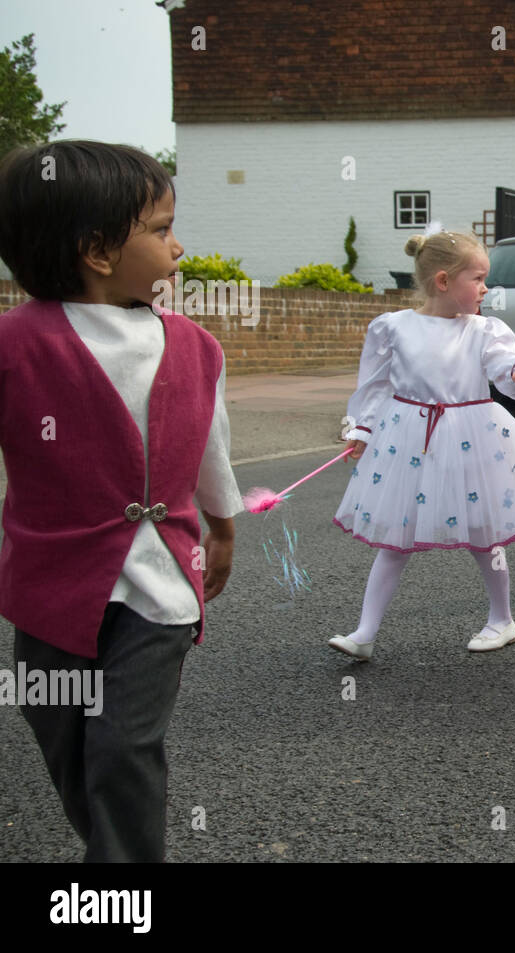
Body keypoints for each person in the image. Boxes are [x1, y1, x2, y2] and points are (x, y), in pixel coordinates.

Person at [0, 140, 242, 861]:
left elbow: (210, 447)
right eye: (162, 229)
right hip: (49, 586)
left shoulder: (197, 346)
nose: (178, 246)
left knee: (123, 743)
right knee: (64, 738)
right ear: (98, 251)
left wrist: (222, 527)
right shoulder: (14, 345)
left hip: (161, 586)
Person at [328, 226, 515, 660]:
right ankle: (365, 632)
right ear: (443, 281)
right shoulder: (392, 327)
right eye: (477, 278)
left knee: (483, 534)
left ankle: (501, 618)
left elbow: (504, 364)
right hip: (408, 440)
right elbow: (376, 387)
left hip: (471, 438)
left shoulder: (483, 330)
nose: (486, 288)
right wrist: (361, 429)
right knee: (395, 538)